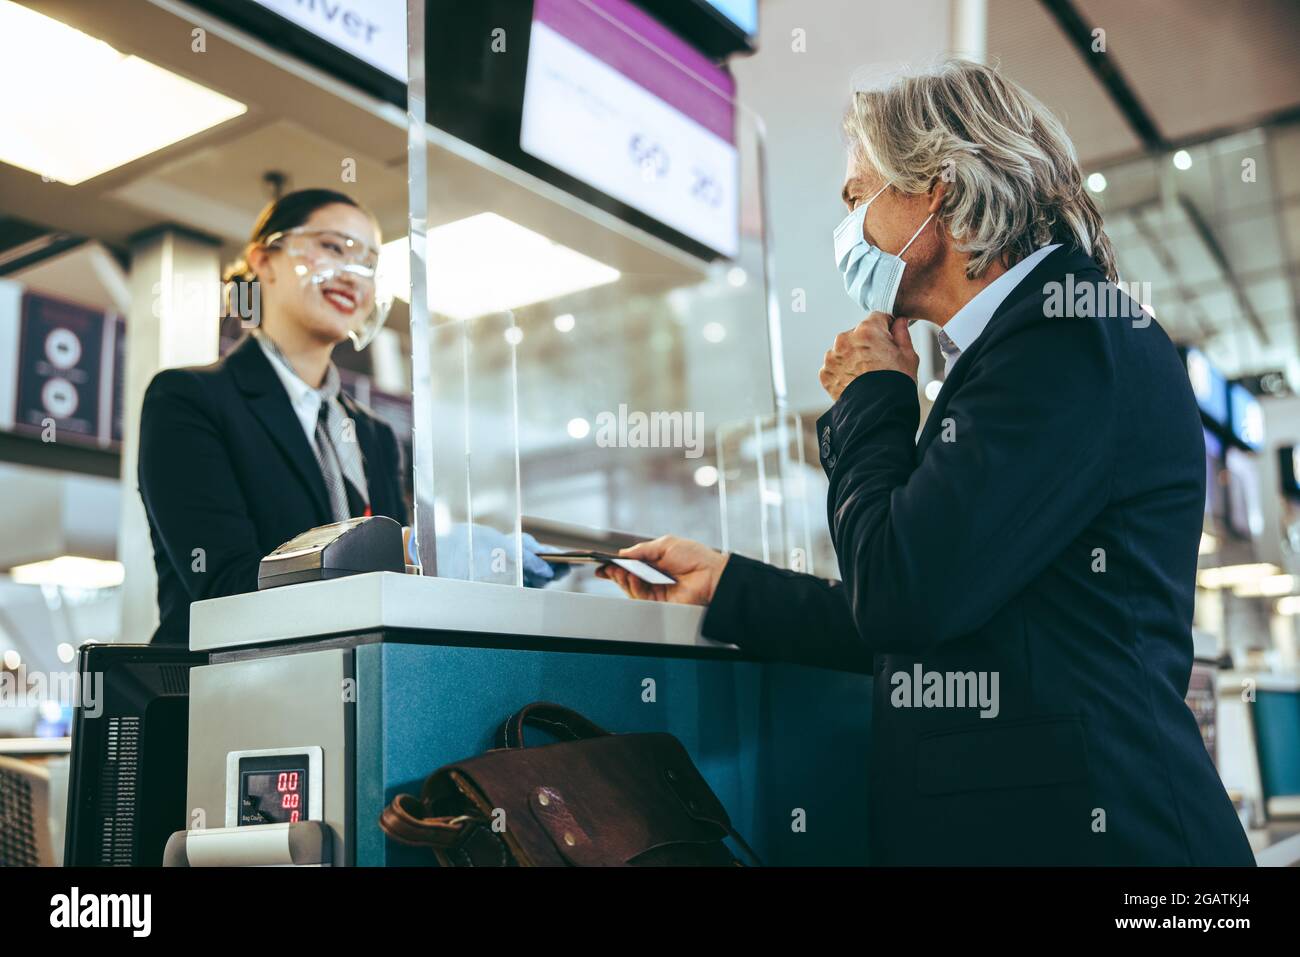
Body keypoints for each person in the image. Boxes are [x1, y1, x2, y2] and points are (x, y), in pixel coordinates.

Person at [598, 60, 1255, 866]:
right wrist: (729, 584)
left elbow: (901, 595)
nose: (850, 226)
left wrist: (875, 395)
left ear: (938, 187)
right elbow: (933, 614)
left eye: (857, 196)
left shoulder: (1062, 339)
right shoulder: (1022, 346)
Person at [138, 189, 557, 646]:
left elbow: (399, 597)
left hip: (357, 682)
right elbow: (225, 587)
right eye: (333, 247)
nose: (353, 274)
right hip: (225, 689)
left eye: (370, 264)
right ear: (263, 260)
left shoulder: (373, 435)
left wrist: (450, 572)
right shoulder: (189, 399)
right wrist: (402, 549)